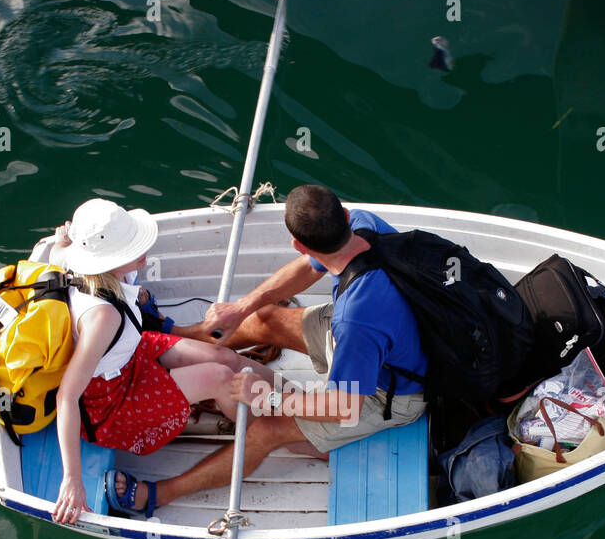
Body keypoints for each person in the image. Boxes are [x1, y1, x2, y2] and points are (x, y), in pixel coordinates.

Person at [116, 184, 429, 511]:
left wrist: (269, 397)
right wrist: (242, 308)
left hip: (391, 390)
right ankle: (182, 338)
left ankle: (159, 494)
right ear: (344, 215)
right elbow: (308, 267)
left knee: (266, 428)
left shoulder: (355, 323)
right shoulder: (364, 224)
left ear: (298, 244)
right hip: (386, 335)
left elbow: (344, 407)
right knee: (263, 319)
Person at [45, 199, 272, 524]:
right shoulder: (103, 317)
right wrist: (72, 479)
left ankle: (296, 399)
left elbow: (59, 249)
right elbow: (66, 396)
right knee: (222, 377)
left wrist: (63, 238)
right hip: (114, 402)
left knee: (224, 356)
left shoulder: (69, 259)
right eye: (131, 247)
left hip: (132, 355)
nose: (143, 250)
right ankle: (268, 432)